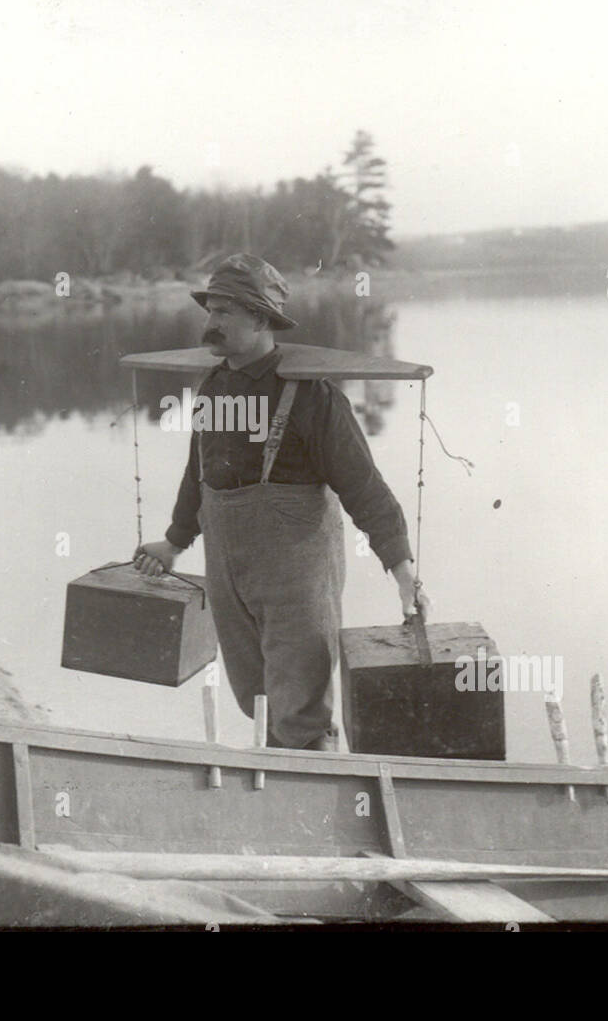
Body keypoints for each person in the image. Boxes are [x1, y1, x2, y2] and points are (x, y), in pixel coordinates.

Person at [134, 253, 429, 750]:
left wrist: (403, 576)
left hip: (296, 576)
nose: (212, 323)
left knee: (302, 714)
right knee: (256, 700)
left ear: (260, 318)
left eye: (225, 312)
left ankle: (319, 801)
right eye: (211, 311)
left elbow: (366, 489)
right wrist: (174, 542)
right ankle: (273, 795)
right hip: (229, 570)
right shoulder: (213, 388)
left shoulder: (314, 397)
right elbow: (198, 473)